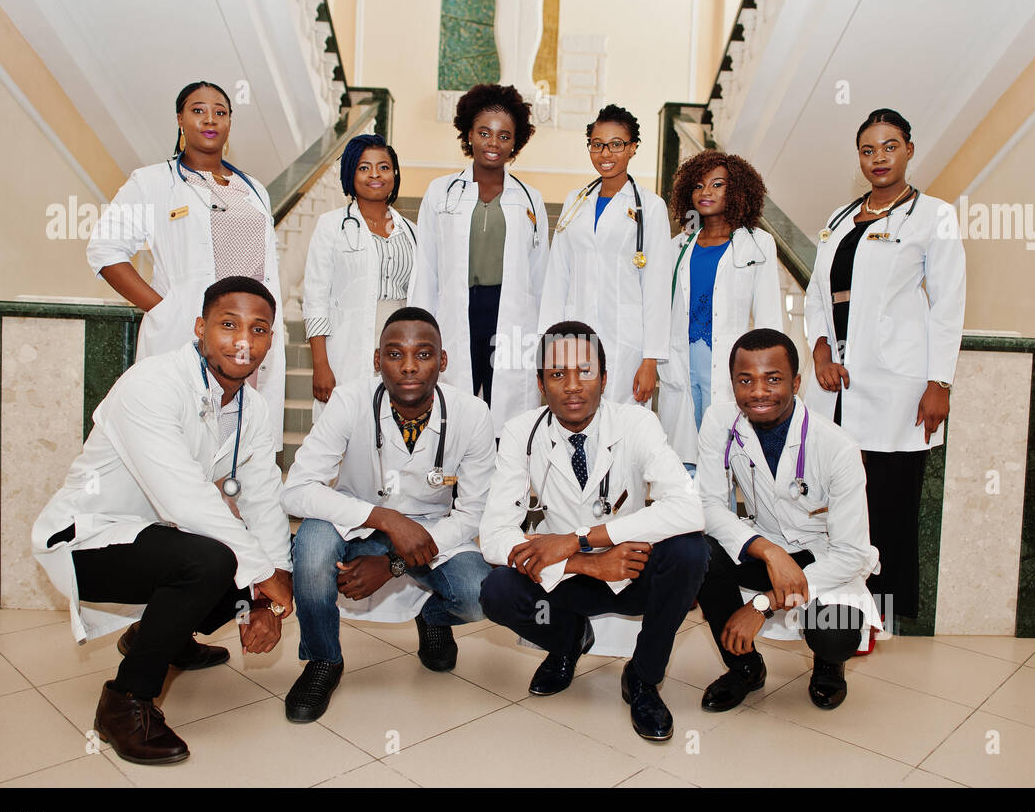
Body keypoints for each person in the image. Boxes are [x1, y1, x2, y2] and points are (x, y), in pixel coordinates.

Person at [31, 277, 294, 764]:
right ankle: (124, 702)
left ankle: (164, 638)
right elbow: (185, 500)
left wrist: (271, 595)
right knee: (216, 560)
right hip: (86, 539)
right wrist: (263, 576)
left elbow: (262, 500)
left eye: (259, 329)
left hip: (157, 543)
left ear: (270, 341)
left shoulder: (252, 409)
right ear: (200, 328)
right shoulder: (151, 383)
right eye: (228, 325)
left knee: (238, 566)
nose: (243, 341)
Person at [479, 321, 708, 741]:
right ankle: (568, 641)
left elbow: (689, 509)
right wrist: (584, 562)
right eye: (557, 374)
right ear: (540, 383)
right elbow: (493, 535)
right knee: (496, 588)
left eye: (584, 371)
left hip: (630, 570)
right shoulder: (519, 433)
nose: (571, 385)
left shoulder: (636, 423)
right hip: (569, 578)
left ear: (604, 378)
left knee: (691, 551)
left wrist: (582, 539)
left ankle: (642, 677)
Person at [280, 307, 497, 722]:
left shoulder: (472, 415)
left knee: (479, 595)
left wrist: (394, 563)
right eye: (395, 355)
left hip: (432, 532)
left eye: (424, 354)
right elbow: (296, 490)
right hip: (356, 519)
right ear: (377, 360)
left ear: (443, 361)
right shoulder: (348, 401)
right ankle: (323, 661)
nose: (410, 366)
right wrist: (384, 518)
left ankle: (432, 617)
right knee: (310, 545)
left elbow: (473, 515)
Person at [804, 109, 966, 628]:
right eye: (869, 150)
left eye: (890, 147)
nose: (879, 158)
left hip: (899, 382)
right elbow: (817, 292)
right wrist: (822, 350)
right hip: (841, 382)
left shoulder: (932, 215)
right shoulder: (839, 218)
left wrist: (939, 382)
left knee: (892, 498)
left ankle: (890, 610)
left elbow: (948, 304)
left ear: (910, 151)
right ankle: (842, 602)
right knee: (842, 495)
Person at [87, 80, 287, 445]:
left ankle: (232, 499)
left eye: (220, 112)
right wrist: (164, 308)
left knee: (243, 437)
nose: (210, 119)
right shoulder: (151, 182)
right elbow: (104, 249)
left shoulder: (254, 188)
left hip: (249, 330)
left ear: (230, 123)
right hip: (187, 328)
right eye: (198, 110)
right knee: (181, 436)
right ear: (180, 118)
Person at [696, 328, 881, 711]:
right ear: (733, 384)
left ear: (796, 382)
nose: (758, 392)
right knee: (696, 554)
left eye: (773, 379)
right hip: (764, 545)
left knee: (836, 633)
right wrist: (768, 552)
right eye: (745, 380)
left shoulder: (838, 448)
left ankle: (829, 666)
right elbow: (709, 507)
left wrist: (762, 604)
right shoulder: (720, 422)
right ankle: (745, 667)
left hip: (823, 556)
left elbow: (850, 553)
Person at [407, 83, 548, 436]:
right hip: (457, 310)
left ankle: (506, 483)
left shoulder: (530, 199)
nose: (493, 143)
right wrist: (420, 325)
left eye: (504, 136)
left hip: (509, 312)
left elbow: (540, 273)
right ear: (468, 134)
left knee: (510, 405)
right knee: (454, 402)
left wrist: (543, 334)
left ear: (516, 142)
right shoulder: (441, 192)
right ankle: (454, 487)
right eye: (484, 132)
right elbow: (426, 265)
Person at [537, 104, 673, 406]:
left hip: (626, 339)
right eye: (597, 145)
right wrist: (548, 341)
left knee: (622, 425)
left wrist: (650, 359)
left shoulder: (650, 207)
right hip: (575, 335)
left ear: (633, 148)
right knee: (574, 415)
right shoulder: (575, 201)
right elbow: (557, 275)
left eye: (616, 144)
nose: (605, 153)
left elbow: (657, 287)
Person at [659, 151, 784, 467]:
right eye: (699, 186)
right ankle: (690, 517)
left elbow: (769, 316)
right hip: (684, 359)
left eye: (717, 185)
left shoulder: (758, 244)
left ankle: (720, 518)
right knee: (685, 459)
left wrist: (771, 372)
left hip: (730, 361)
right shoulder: (679, 245)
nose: (706, 193)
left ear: (737, 190)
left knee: (726, 458)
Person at [302, 134, 417, 418]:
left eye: (384, 167)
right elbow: (315, 298)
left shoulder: (413, 231)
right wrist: (321, 364)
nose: (375, 174)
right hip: (347, 343)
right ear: (350, 174)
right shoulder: (331, 226)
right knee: (344, 429)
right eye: (364, 167)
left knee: (393, 426)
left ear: (395, 173)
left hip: (400, 343)